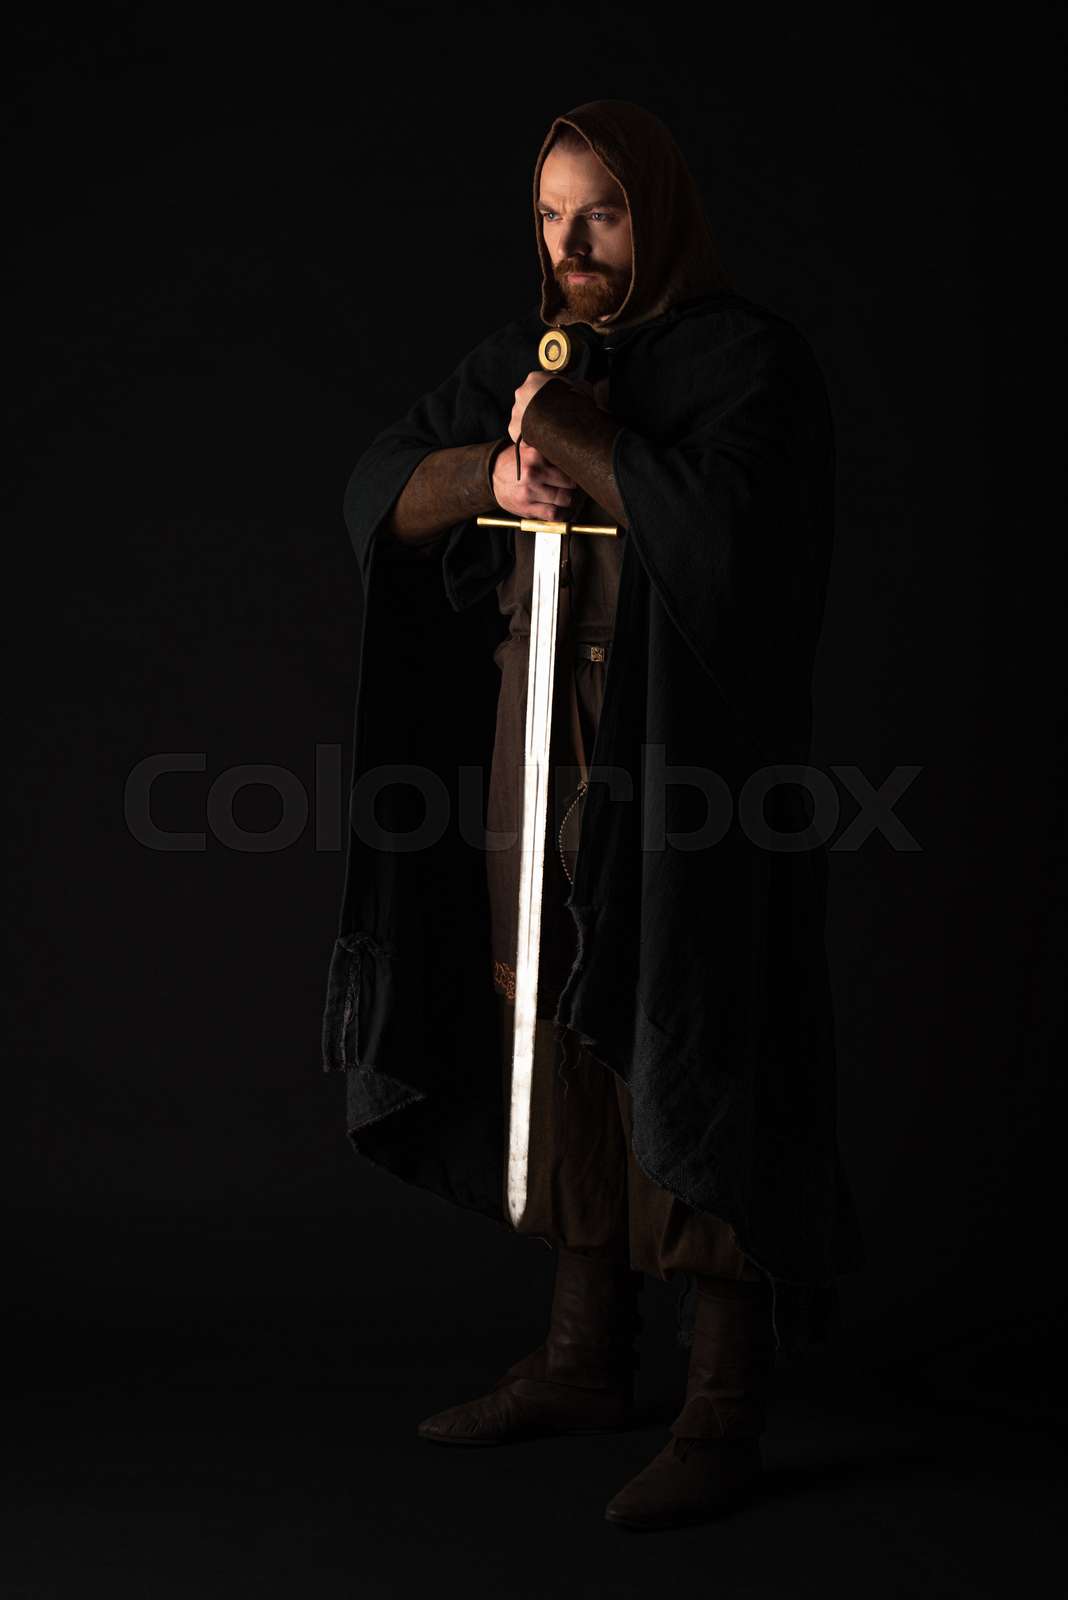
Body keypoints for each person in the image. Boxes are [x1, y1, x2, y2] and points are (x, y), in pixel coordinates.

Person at [321, 99, 866, 1532]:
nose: (572, 246)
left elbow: (741, 552)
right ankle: (583, 1357)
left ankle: (722, 1402)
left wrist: (584, 438)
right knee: (553, 1023)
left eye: (602, 215)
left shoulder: (748, 367)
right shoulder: (515, 363)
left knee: (688, 1021)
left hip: (688, 769)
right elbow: (378, 482)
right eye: (554, 216)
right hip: (534, 759)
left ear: (658, 214)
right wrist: (494, 473)